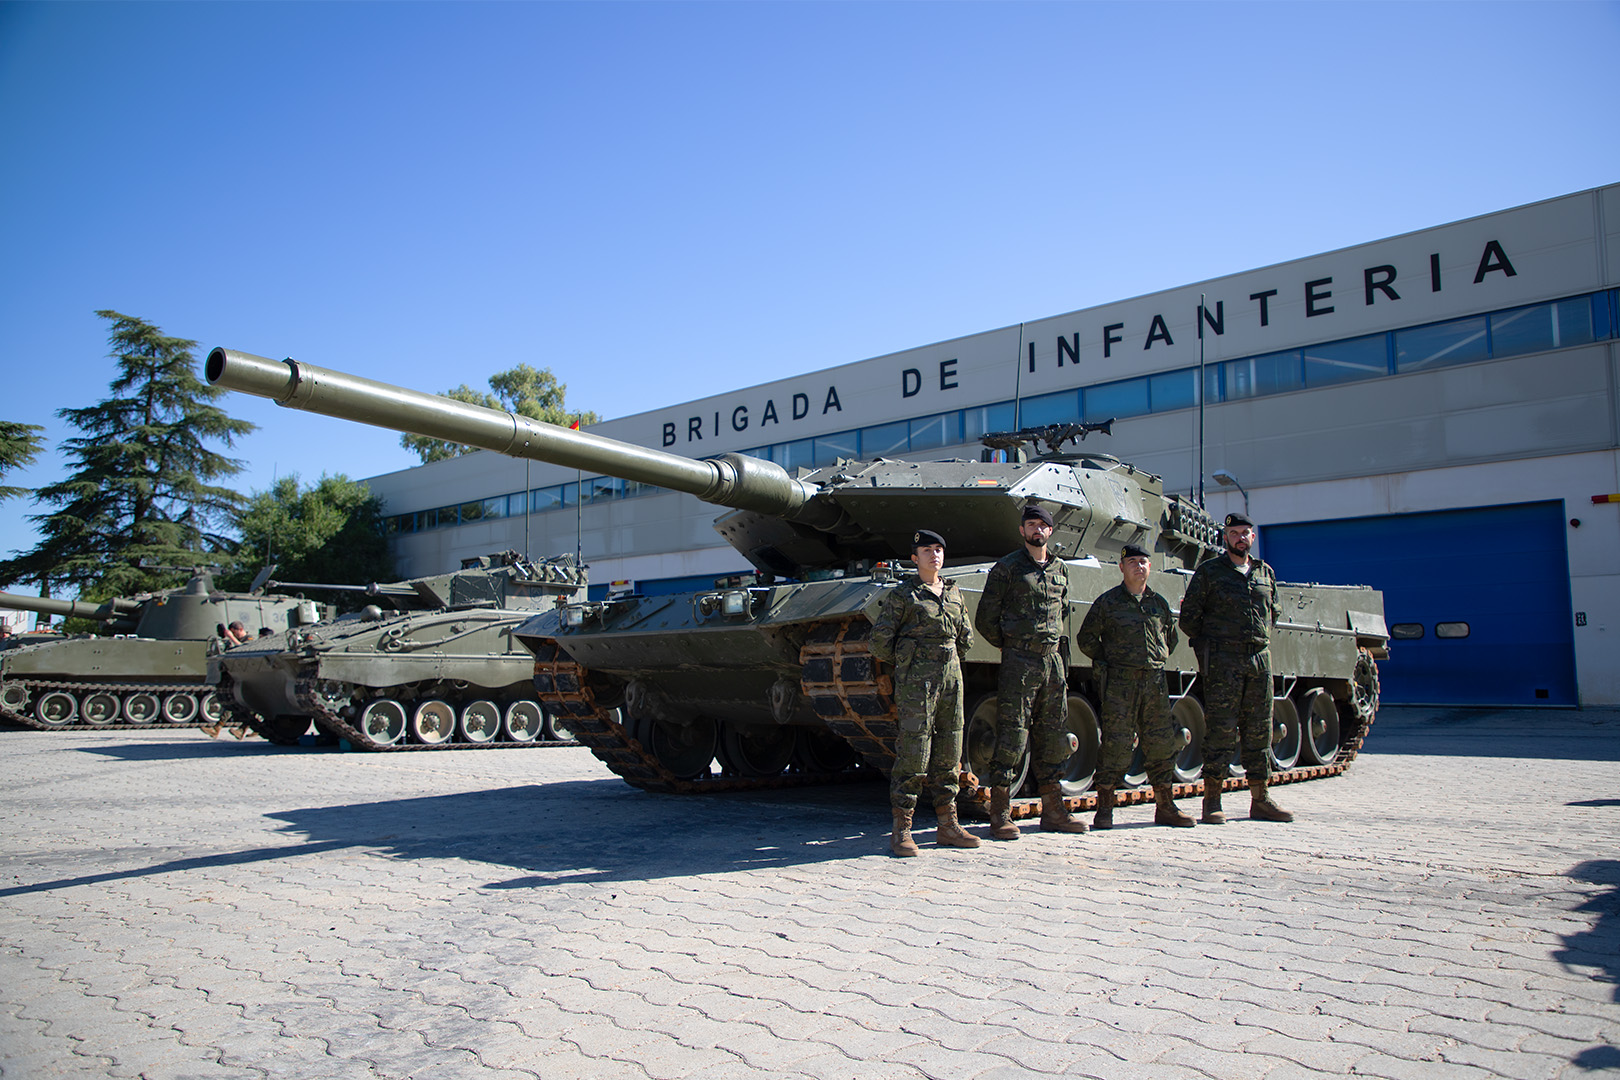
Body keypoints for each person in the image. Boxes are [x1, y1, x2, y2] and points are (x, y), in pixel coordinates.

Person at [974, 504, 1088, 839]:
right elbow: (985, 619)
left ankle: (1054, 810)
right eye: (1031, 525)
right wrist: (1012, 645)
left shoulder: (1060, 569)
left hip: (1052, 662)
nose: (1037, 530)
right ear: (1023, 531)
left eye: (1043, 525)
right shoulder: (1007, 569)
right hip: (1020, 662)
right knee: (1012, 735)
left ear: (1050, 531)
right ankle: (1000, 813)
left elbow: (1062, 613)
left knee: (1053, 735)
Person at [869, 528, 979, 857]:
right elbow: (879, 642)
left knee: (949, 753)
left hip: (951, 681)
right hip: (918, 684)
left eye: (938, 550)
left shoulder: (955, 593)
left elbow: (966, 639)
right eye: (927, 550)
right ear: (914, 558)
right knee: (914, 753)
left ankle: (948, 825)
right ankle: (902, 828)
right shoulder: (904, 595)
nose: (934, 555)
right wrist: (909, 662)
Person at [1178, 512, 1294, 824]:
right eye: (1234, 533)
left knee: (1259, 729)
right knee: (1221, 729)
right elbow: (1189, 618)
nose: (1240, 538)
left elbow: (1274, 613)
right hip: (1223, 661)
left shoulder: (1264, 572)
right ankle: (1211, 801)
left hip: (1259, 659)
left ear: (1252, 538)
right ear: (1225, 537)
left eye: (1245, 533)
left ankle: (1261, 798)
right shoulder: (1210, 572)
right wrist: (1213, 644)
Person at [1075, 543, 1194, 829]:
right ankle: (1105, 808)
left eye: (1143, 562)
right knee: (1116, 745)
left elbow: (1171, 638)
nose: (1139, 567)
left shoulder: (1159, 604)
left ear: (1150, 567)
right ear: (1122, 567)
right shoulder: (1108, 603)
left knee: (1161, 745)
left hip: (1154, 684)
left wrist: (1157, 656)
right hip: (1121, 684)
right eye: (1132, 562)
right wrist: (1110, 660)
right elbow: (1086, 639)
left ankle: (1165, 806)